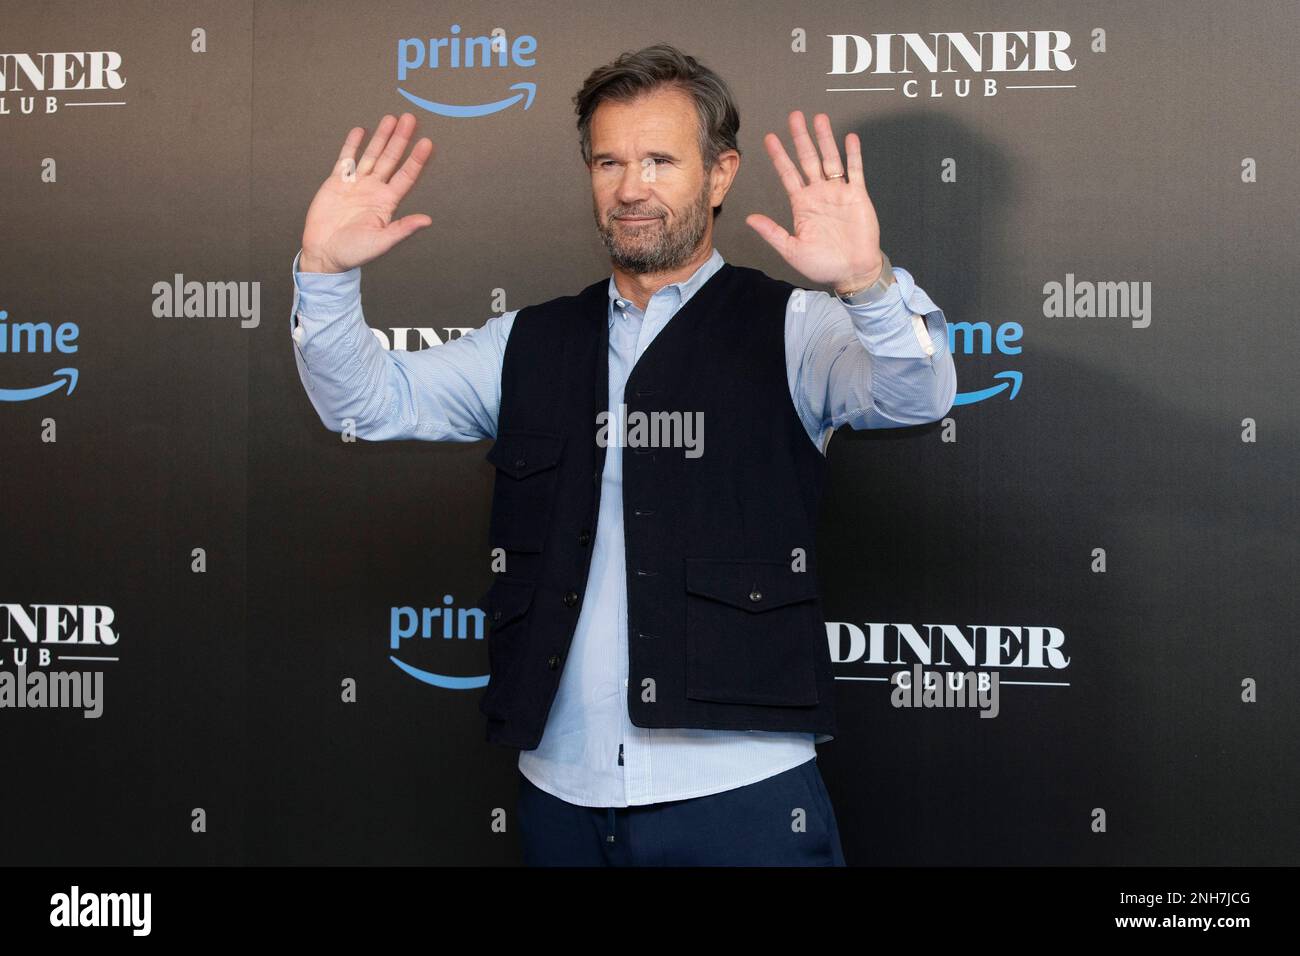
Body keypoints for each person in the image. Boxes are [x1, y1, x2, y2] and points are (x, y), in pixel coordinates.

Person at [290, 43, 955, 866]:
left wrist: (867, 283)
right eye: (608, 161)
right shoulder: (526, 342)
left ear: (719, 176)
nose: (630, 185)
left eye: (659, 160)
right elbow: (362, 401)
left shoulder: (798, 326)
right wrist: (322, 273)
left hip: (741, 802)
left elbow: (918, 395)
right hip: (561, 800)